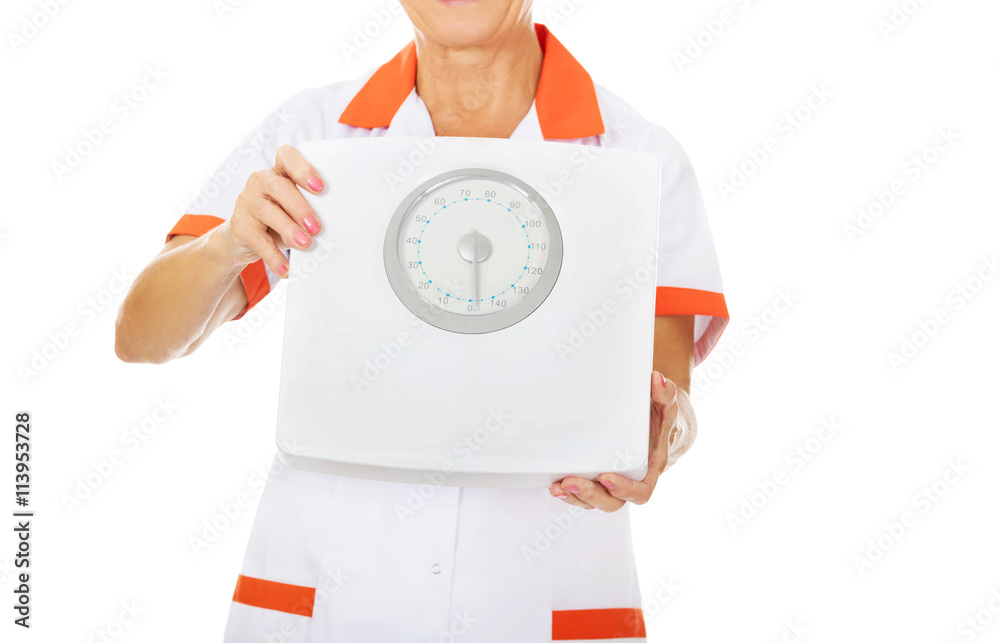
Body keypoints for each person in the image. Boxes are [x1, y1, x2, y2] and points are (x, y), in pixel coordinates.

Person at [115, 1, 729, 640]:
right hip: (331, 595)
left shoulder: (638, 156)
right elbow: (141, 338)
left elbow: (663, 401)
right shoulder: (316, 132)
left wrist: (667, 437)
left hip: (538, 601)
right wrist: (229, 244)